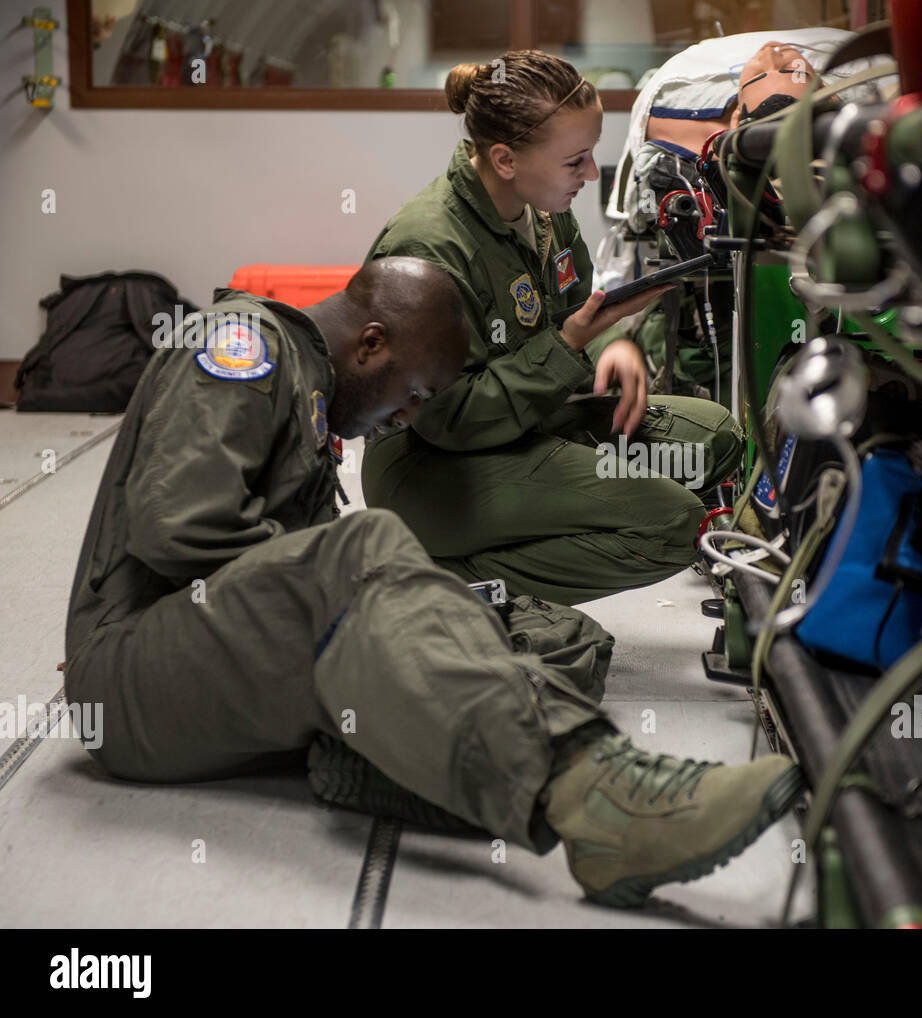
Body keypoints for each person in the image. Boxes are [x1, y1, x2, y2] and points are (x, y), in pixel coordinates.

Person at [63, 257, 802, 908]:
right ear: (371, 343)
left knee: (547, 631)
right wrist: (365, 577)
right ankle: (605, 806)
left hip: (224, 650)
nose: (408, 415)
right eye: (414, 393)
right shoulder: (240, 345)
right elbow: (179, 529)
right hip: (133, 671)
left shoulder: (306, 384)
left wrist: (420, 600)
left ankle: (382, 755)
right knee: (368, 550)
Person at [360, 50, 746, 606]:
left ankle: (501, 540)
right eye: (576, 161)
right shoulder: (427, 250)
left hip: (528, 420)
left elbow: (575, 308)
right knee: (672, 524)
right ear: (505, 159)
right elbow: (450, 422)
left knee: (716, 436)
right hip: (432, 465)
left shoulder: (542, 211)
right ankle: (445, 584)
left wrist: (613, 346)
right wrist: (570, 346)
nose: (591, 175)